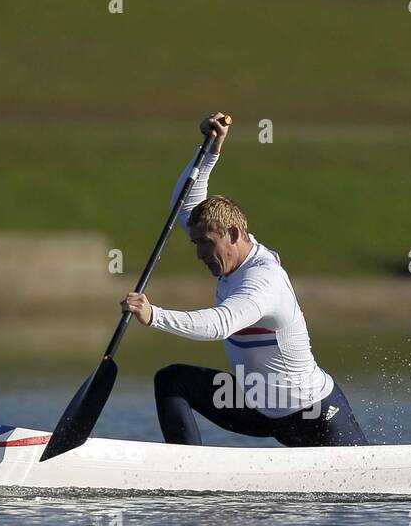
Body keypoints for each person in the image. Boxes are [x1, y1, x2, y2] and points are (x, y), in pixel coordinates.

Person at [120, 113, 367, 447]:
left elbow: (221, 324)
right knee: (172, 380)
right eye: (196, 244)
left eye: (206, 244)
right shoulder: (229, 254)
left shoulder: (264, 281)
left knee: (361, 489)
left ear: (233, 234)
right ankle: (188, 467)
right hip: (254, 408)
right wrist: (209, 152)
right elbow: (184, 204)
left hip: (312, 415)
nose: (200, 255)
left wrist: (154, 316)